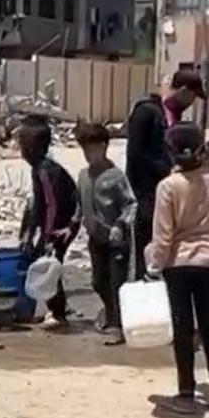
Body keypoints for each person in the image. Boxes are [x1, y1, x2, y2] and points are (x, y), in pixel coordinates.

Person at [148, 125, 209, 414]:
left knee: (182, 328)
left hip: (178, 265)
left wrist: (155, 263)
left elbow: (164, 234)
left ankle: (186, 393)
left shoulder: (168, 186)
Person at [125, 72, 203, 275]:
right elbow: (136, 155)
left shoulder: (173, 117)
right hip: (148, 194)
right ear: (184, 91)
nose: (192, 102)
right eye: (193, 96)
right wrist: (165, 170)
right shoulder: (147, 112)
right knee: (148, 250)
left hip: (169, 194)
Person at [74, 121, 136, 341]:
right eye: (84, 150)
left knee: (117, 282)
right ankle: (111, 314)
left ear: (103, 147)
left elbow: (130, 204)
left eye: (91, 149)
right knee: (98, 282)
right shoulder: (83, 175)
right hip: (95, 238)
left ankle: (118, 326)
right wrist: (73, 224)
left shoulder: (116, 176)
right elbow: (80, 204)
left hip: (115, 239)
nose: (87, 155)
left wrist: (120, 224)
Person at [17, 118, 79, 331]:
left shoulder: (45, 170)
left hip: (62, 226)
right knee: (42, 259)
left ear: (30, 147)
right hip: (54, 224)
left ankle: (59, 313)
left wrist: (49, 236)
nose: (19, 150)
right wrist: (28, 232)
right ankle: (53, 308)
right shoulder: (38, 167)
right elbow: (37, 205)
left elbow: (52, 205)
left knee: (50, 264)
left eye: (21, 145)